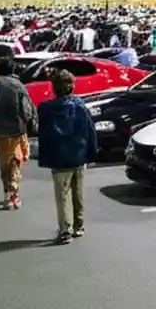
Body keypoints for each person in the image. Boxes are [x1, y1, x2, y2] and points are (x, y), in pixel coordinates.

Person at [37, 70, 97, 244]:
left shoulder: (46, 108)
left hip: (58, 157)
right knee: (78, 193)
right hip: (78, 154)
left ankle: (65, 229)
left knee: (62, 195)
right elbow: (90, 130)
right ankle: (79, 225)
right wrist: (91, 152)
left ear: (54, 87)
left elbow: (40, 130)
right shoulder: (80, 106)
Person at [0, 56, 37, 209]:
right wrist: (29, 122)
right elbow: (27, 107)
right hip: (17, 129)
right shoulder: (18, 85)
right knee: (17, 158)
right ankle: (14, 192)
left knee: (4, 160)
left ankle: (8, 192)